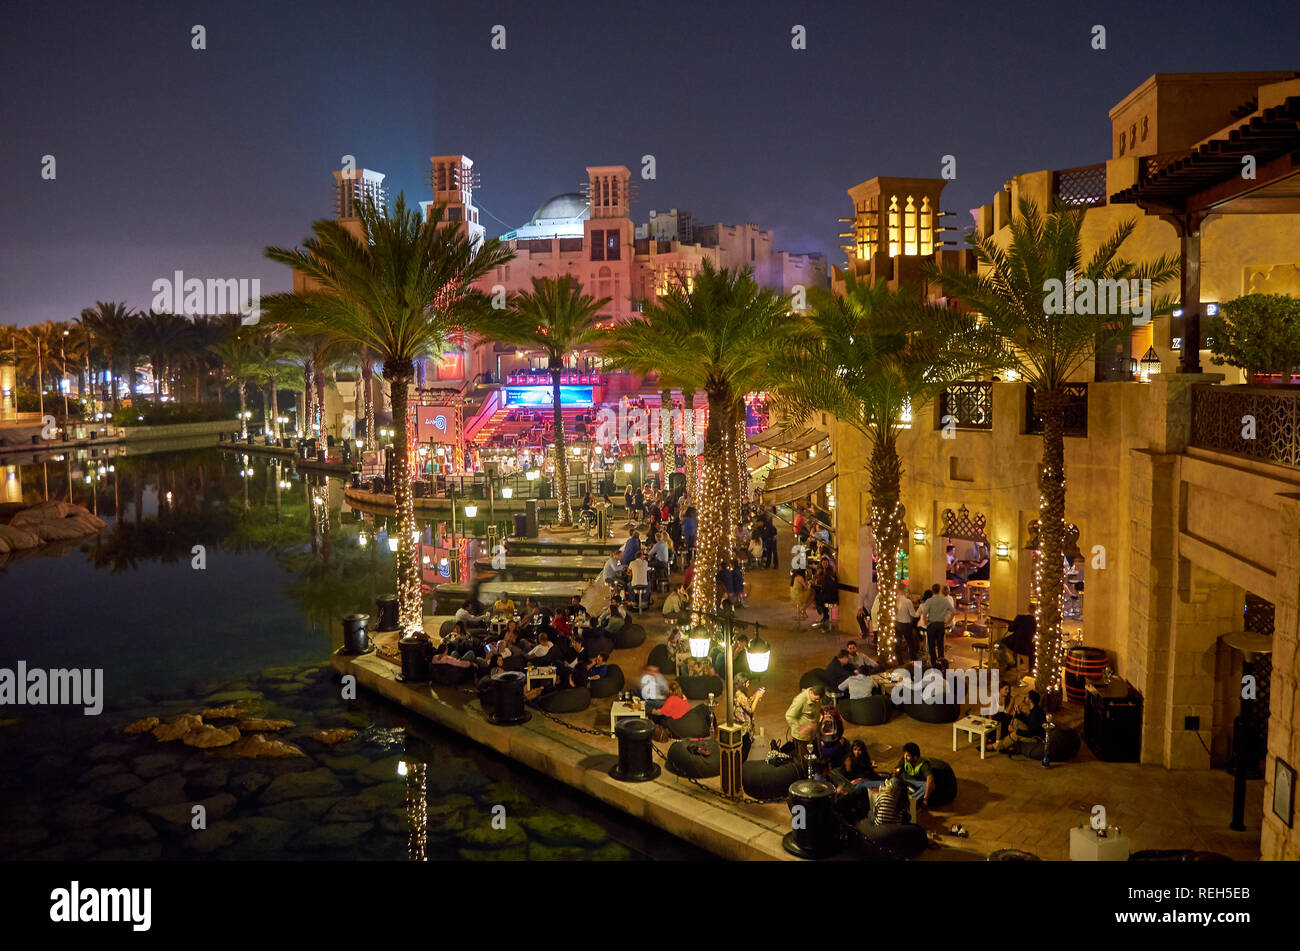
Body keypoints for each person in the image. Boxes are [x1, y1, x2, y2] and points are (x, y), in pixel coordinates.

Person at [780, 683, 825, 756]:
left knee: (816, 754)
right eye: (816, 699)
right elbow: (789, 716)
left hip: (813, 733)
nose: (817, 701)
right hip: (802, 736)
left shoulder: (816, 698)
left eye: (819, 700)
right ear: (811, 692)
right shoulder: (800, 701)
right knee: (804, 757)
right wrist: (800, 728)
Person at [733, 674, 765, 761]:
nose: (748, 685)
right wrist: (757, 698)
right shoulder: (740, 696)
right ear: (742, 684)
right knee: (744, 752)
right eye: (747, 683)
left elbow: (746, 703)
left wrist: (754, 696)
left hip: (742, 728)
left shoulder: (739, 694)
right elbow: (750, 710)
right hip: (744, 730)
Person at [923, 582, 956, 667]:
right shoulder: (944, 600)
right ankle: (941, 662)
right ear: (939, 590)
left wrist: (926, 621)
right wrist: (948, 622)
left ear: (933, 591)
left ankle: (934, 662)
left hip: (932, 624)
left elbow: (924, 613)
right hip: (941, 624)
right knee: (940, 644)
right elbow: (953, 612)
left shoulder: (929, 601)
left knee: (931, 645)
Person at [895, 742, 935, 806]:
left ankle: (910, 801)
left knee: (930, 786)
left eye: (908, 755)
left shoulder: (924, 764)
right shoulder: (904, 759)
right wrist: (894, 774)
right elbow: (897, 770)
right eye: (904, 754)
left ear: (915, 757)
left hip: (917, 782)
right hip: (905, 780)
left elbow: (930, 779)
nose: (905, 757)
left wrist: (926, 798)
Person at [895, 589, 920, 662]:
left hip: (897, 623)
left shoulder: (895, 600)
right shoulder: (907, 601)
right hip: (906, 624)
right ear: (903, 591)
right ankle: (913, 659)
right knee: (910, 643)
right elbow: (913, 614)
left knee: (898, 643)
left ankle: (899, 660)